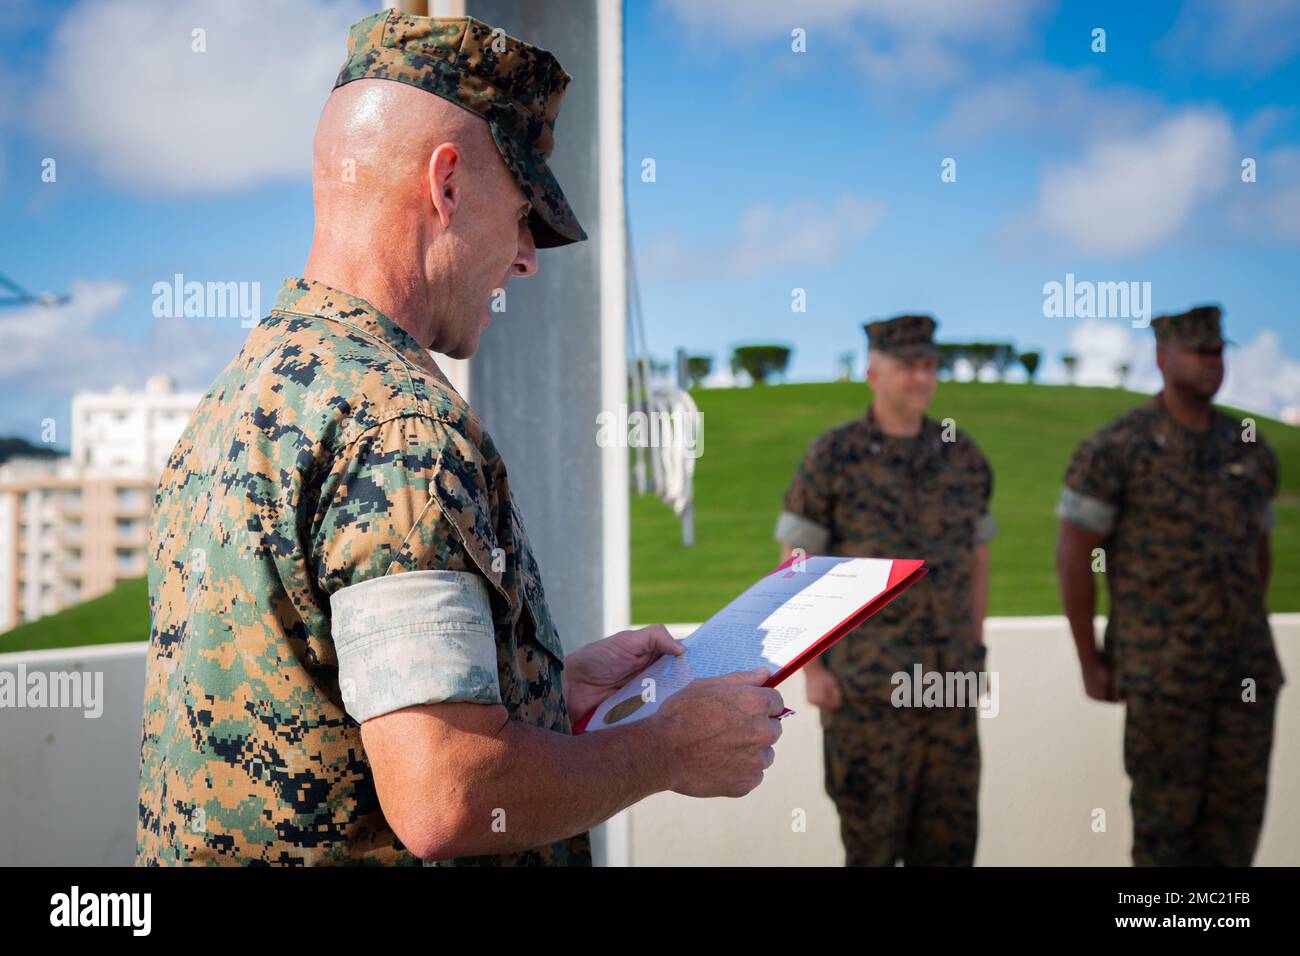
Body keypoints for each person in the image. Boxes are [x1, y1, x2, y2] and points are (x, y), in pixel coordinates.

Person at [136, 9, 782, 866]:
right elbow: (450, 796)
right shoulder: (399, 426)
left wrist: (549, 692)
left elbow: (339, 690)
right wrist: (667, 749)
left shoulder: (247, 390)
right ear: (446, 184)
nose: (527, 259)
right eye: (523, 215)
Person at [1056, 305, 1283, 866]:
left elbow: (1259, 550)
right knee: (1165, 839)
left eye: (1218, 351)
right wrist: (1090, 659)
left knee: (1234, 836)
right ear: (1162, 357)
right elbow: (1075, 556)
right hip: (1163, 680)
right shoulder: (1117, 449)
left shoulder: (1249, 448)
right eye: (1198, 351)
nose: (1212, 362)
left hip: (1244, 677)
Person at [775, 314, 994, 866]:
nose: (920, 378)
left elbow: (977, 559)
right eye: (907, 366)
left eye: (929, 365)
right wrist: (814, 669)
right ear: (874, 371)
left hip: (948, 690)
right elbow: (797, 564)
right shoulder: (835, 456)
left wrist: (974, 647)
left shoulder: (962, 456)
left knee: (950, 847)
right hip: (865, 691)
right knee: (871, 848)